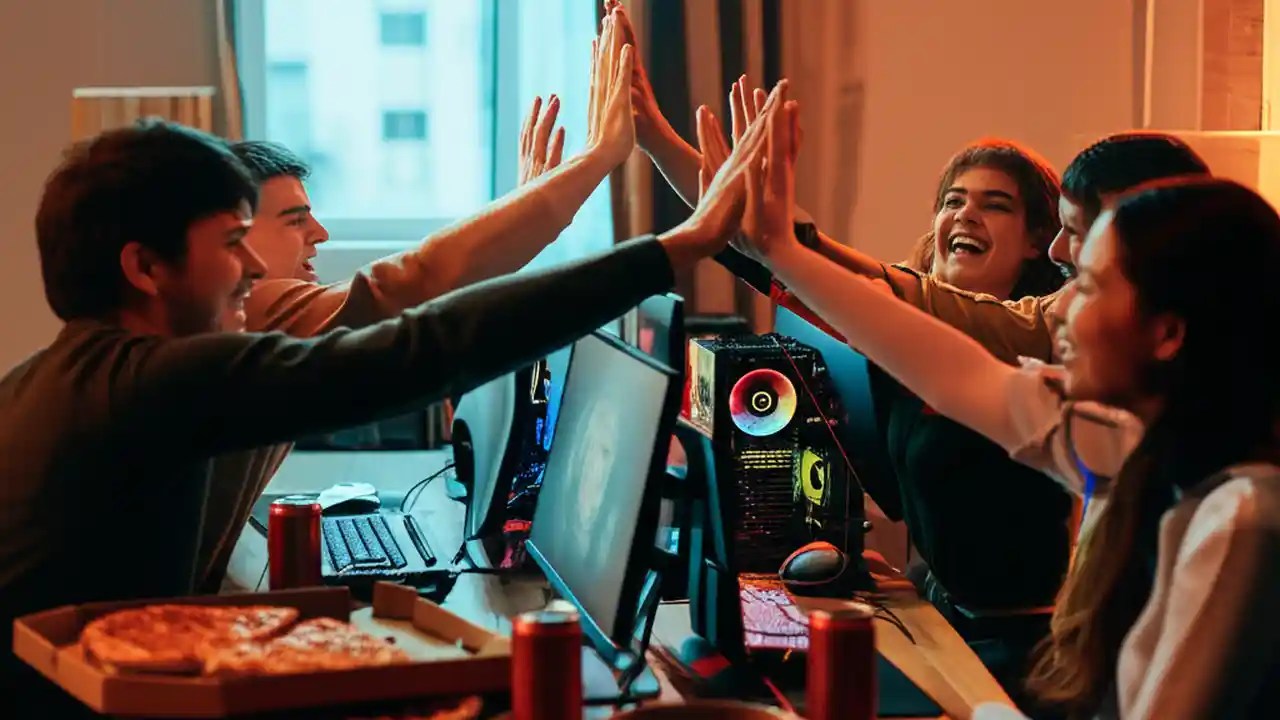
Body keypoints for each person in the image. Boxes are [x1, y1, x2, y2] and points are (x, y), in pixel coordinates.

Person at [0, 16, 789, 708]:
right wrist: (668, 251)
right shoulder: (157, 381)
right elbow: (421, 349)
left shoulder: (63, 379)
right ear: (145, 268)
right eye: (229, 246)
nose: (248, 271)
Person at [739, 106, 1280, 718]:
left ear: (1167, 333)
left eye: (1090, 286)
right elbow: (951, 371)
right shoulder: (1128, 444)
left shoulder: (1238, 520)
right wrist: (779, 250)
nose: (1063, 314)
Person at [195, 96, 584, 593]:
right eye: (295, 219)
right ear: (236, 234)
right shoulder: (259, 308)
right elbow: (414, 286)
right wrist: (550, 202)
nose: (319, 233)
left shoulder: (256, 315)